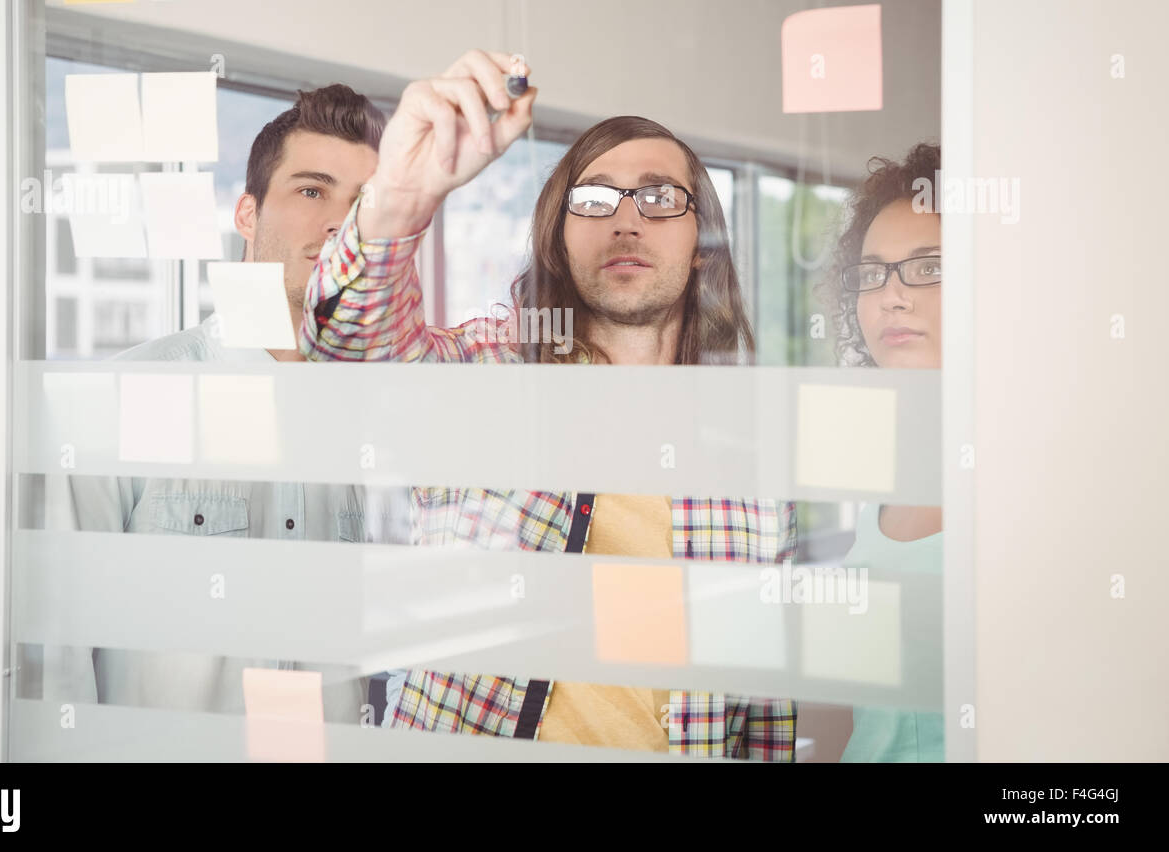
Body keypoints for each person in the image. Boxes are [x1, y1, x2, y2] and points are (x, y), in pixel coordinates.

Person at [301, 50, 799, 759]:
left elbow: (761, 713)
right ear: (559, 242)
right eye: (593, 199)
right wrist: (401, 197)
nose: (627, 221)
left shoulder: (747, 455)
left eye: (660, 198)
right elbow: (345, 352)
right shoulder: (486, 378)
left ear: (701, 249)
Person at [42, 84, 410, 721]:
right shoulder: (132, 396)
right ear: (247, 214)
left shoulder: (368, 417)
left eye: (362, 203)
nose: (338, 222)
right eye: (311, 190)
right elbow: (54, 656)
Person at [826, 141, 944, 762]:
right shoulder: (888, 475)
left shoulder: (1044, 476)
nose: (892, 296)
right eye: (872, 274)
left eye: (929, 267)